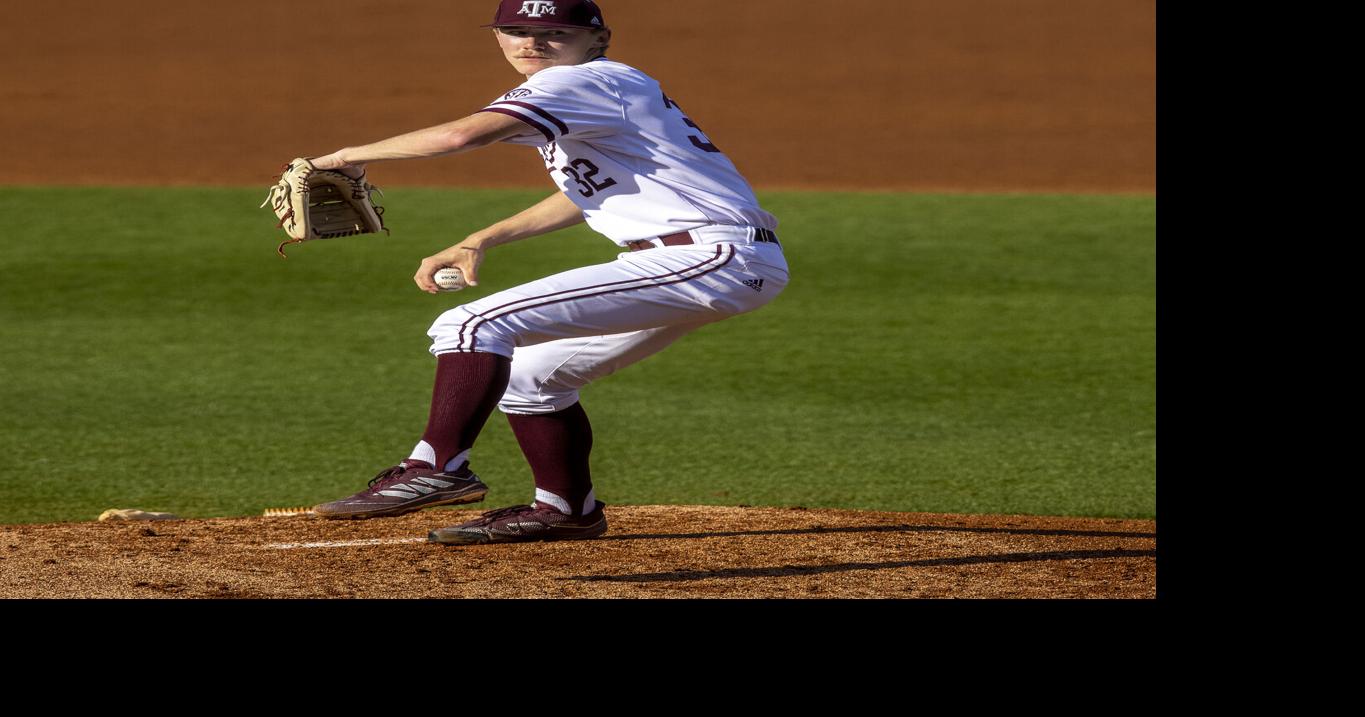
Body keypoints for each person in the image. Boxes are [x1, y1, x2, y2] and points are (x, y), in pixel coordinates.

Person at [306, 0, 790, 545]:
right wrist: (480, 238)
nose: (531, 42)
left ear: (597, 38)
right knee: (534, 377)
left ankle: (437, 467)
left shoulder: (581, 82)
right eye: (514, 31)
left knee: (471, 325)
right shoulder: (601, 90)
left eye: (554, 32)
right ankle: (567, 508)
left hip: (707, 257)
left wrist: (345, 156)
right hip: (709, 259)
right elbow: (590, 196)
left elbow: (462, 136)